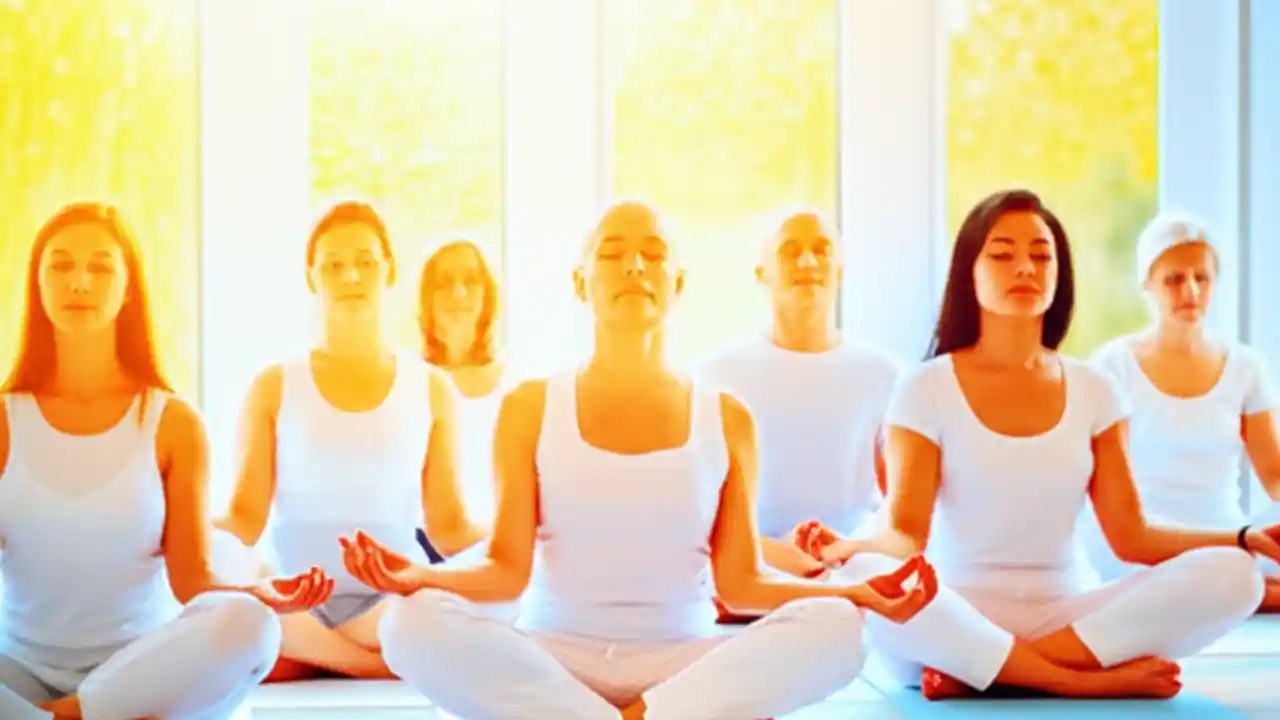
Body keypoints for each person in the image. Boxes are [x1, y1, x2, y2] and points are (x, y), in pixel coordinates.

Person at [337, 200, 940, 720]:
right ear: (580, 283)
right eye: (612, 254)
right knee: (407, 624)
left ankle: (641, 714)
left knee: (839, 632)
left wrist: (854, 597)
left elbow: (743, 583)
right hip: (556, 658)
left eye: (653, 254)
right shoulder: (530, 406)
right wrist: (417, 578)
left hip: (680, 662)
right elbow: (504, 570)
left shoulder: (727, 418)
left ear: (676, 283)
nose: (634, 267)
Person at [795, 189, 1278, 700]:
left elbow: (1131, 536)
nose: (1024, 267)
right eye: (1002, 255)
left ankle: (994, 670)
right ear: (970, 273)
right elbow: (905, 533)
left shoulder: (1095, 389)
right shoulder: (925, 388)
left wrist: (1243, 538)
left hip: (1066, 611)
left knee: (1238, 577)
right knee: (861, 575)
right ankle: (1068, 679)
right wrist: (852, 547)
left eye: (1041, 256)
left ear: (1058, 275)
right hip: (956, 611)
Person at [0, 202, 330, 720]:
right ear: (37, 284)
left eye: (101, 267)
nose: (79, 282)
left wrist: (258, 590)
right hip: (18, 669)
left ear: (128, 288)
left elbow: (192, 579)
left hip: (141, 669)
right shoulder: (4, 420)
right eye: (60, 265)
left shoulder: (173, 423)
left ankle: (67, 714)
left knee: (253, 626)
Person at [215, 201, 486, 682]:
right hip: (295, 606)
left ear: (389, 270)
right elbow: (244, 519)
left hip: (391, 607)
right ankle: (376, 666)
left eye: (365, 262)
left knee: (437, 613)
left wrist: (524, 544)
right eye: (334, 265)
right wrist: (176, 533)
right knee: (240, 616)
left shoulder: (430, 388)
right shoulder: (274, 385)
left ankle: (316, 659)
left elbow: (450, 526)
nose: (352, 277)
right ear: (311, 277)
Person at [1084, 211, 1280, 611]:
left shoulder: (1245, 366)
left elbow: (1275, 474)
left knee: (1240, 574)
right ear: (1148, 285)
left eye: (1201, 277)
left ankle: (1242, 591)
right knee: (1205, 586)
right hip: (1142, 550)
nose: (1189, 290)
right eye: (1173, 279)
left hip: (1226, 542)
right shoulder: (1113, 365)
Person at [695, 207, 898, 580]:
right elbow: (698, 504)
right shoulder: (716, 374)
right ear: (761, 272)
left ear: (839, 269)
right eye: (790, 250)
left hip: (856, 570)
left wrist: (845, 550)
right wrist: (773, 553)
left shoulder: (883, 374)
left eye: (821, 250)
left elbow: (905, 507)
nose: (807, 261)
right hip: (750, 573)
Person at [416, 238, 521, 547]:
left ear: (488, 295)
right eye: (444, 284)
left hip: (501, 553)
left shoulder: (517, 383)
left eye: (470, 281)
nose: (458, 293)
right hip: (426, 556)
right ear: (427, 300)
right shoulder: (410, 382)